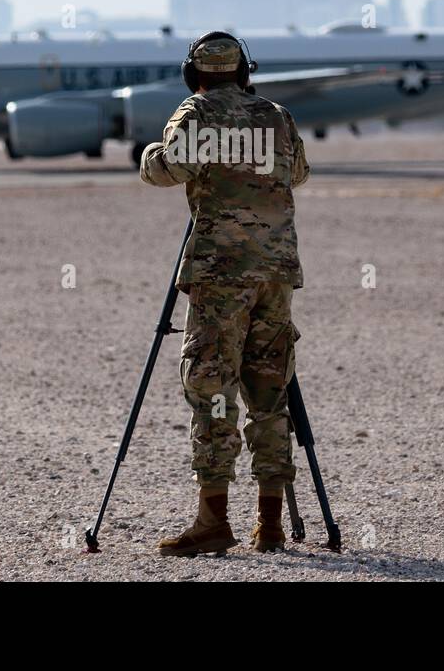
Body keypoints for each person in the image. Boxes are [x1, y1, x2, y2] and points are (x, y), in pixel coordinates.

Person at [140, 31, 310, 555]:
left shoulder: (194, 114)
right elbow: (298, 173)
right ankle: (270, 524)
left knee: (212, 390)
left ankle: (213, 521)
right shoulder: (277, 115)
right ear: (245, 72)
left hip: (219, 273)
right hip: (275, 271)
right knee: (270, 391)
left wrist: (149, 151)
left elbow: (167, 171)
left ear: (194, 73)